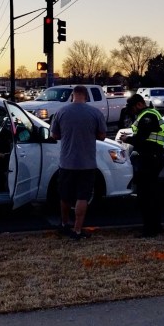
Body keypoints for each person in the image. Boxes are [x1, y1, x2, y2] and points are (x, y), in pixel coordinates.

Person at [50, 85, 107, 240]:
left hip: (67, 162)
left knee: (65, 195)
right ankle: (77, 230)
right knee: (83, 196)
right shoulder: (95, 113)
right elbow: (102, 136)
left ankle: (64, 224)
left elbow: (54, 135)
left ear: (72, 96)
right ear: (86, 96)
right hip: (87, 163)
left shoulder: (61, 112)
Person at [120, 94, 164, 237]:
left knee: (146, 195)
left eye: (133, 108)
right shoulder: (149, 114)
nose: (132, 111)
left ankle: (149, 229)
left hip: (150, 158)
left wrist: (127, 139)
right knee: (152, 194)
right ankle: (156, 227)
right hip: (152, 156)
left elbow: (142, 138)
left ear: (139, 104)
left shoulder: (147, 116)